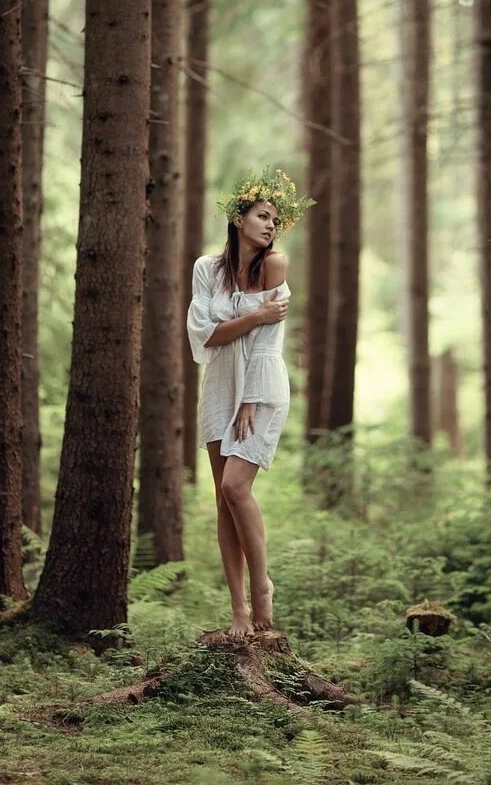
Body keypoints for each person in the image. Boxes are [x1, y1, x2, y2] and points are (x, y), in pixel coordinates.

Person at [186, 167, 314, 639]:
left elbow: (266, 343)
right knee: (223, 501)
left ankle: (262, 587)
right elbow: (205, 336)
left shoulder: (274, 265)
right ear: (239, 218)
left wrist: (251, 401)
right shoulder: (207, 269)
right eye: (262, 216)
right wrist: (256, 314)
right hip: (219, 386)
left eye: (275, 220)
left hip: (260, 385)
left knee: (236, 487)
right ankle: (238, 610)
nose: (269, 226)